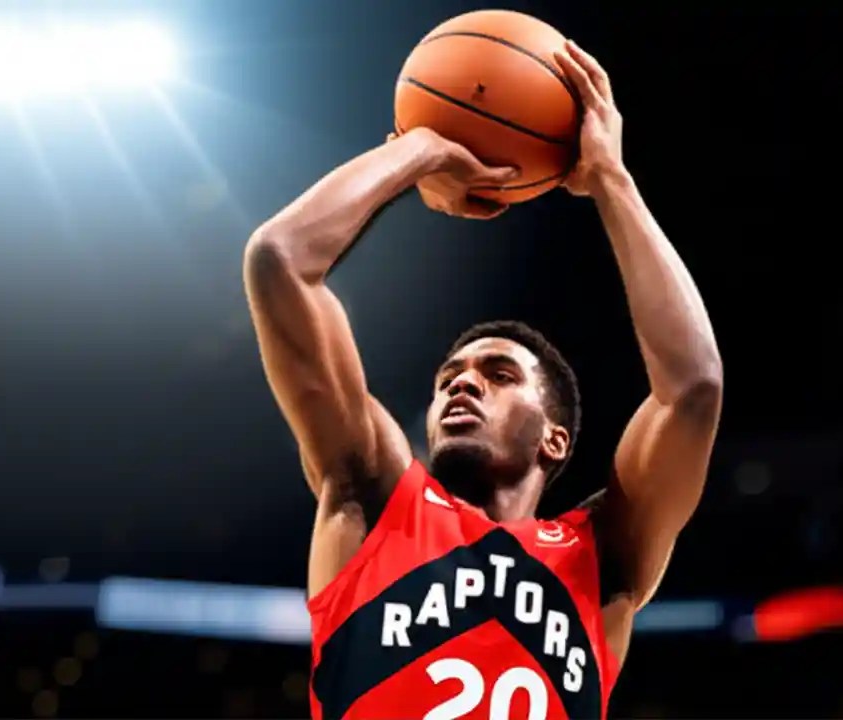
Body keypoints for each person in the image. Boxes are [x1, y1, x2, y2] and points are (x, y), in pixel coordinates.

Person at [244, 40, 722, 720]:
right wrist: (422, 150)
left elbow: (695, 388)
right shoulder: (375, 499)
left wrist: (611, 179)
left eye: (498, 375)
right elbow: (279, 259)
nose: (460, 387)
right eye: (450, 377)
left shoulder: (602, 557)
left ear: (554, 440)